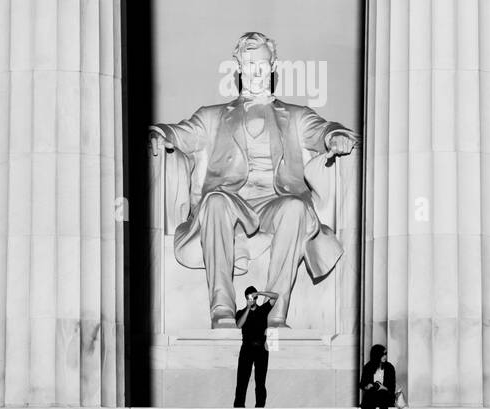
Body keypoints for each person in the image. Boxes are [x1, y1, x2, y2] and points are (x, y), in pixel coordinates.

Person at [149, 31, 359, 327]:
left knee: (296, 207)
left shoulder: (297, 116)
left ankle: (275, 312)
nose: (256, 73)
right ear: (240, 70)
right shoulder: (213, 116)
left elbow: (324, 130)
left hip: (275, 204)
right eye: (249, 66)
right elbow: (180, 133)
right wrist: (161, 134)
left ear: (273, 67)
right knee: (216, 202)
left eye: (261, 65)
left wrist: (336, 136)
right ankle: (221, 308)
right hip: (231, 203)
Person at [234, 286, 279, 407]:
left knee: (260, 381)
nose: (252, 300)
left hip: (261, 350)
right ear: (246, 298)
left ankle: (260, 408)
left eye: (253, 298)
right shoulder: (240, 312)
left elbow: (276, 296)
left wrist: (259, 292)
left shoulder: (263, 309)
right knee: (242, 380)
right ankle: (238, 408)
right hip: (246, 349)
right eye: (249, 298)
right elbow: (239, 325)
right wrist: (248, 308)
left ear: (256, 298)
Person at [359, 344, 396, 409]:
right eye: (382, 354)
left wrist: (384, 387)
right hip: (372, 396)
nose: (385, 356)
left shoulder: (389, 367)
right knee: (371, 391)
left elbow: (392, 387)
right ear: (376, 355)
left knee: (382, 392)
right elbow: (361, 384)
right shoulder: (368, 367)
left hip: (386, 396)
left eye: (385, 354)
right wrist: (367, 386)